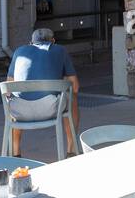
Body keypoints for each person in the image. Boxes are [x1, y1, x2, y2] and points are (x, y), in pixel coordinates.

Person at [6, 28, 80, 156]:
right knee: (72, 97)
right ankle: (71, 150)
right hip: (50, 109)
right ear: (53, 41)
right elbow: (75, 87)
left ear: (31, 43)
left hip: (19, 112)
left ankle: (15, 153)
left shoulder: (19, 51)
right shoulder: (60, 50)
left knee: (13, 99)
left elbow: (8, 87)